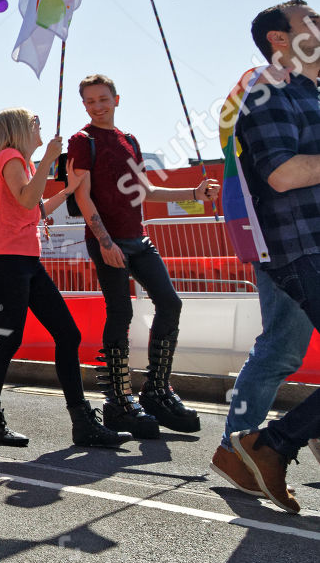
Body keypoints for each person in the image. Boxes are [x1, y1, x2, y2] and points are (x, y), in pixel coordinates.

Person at [68, 74, 220, 436]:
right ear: (84, 105)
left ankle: (156, 389)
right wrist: (106, 243)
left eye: (103, 99)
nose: (97, 106)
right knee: (120, 312)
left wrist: (195, 193)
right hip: (107, 240)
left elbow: (145, 190)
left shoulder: (130, 140)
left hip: (138, 239)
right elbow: (82, 197)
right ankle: (119, 401)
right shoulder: (81, 141)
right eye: (90, 101)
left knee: (171, 303)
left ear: (116, 99)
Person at [223, 0, 320, 513]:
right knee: (280, 351)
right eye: (314, 21)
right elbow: (281, 173)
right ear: (281, 39)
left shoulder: (309, 93)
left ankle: (264, 446)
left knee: (282, 350)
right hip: (300, 247)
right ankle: (256, 446)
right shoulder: (267, 93)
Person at [0, 108, 126, 448]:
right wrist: (49, 159)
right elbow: (28, 198)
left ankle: (80, 419)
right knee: (12, 340)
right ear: (21, 128)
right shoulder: (11, 157)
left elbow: (33, 208)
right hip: (10, 260)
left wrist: (68, 190)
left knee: (66, 333)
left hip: (24, 260)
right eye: (36, 124)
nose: (41, 128)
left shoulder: (18, 163)